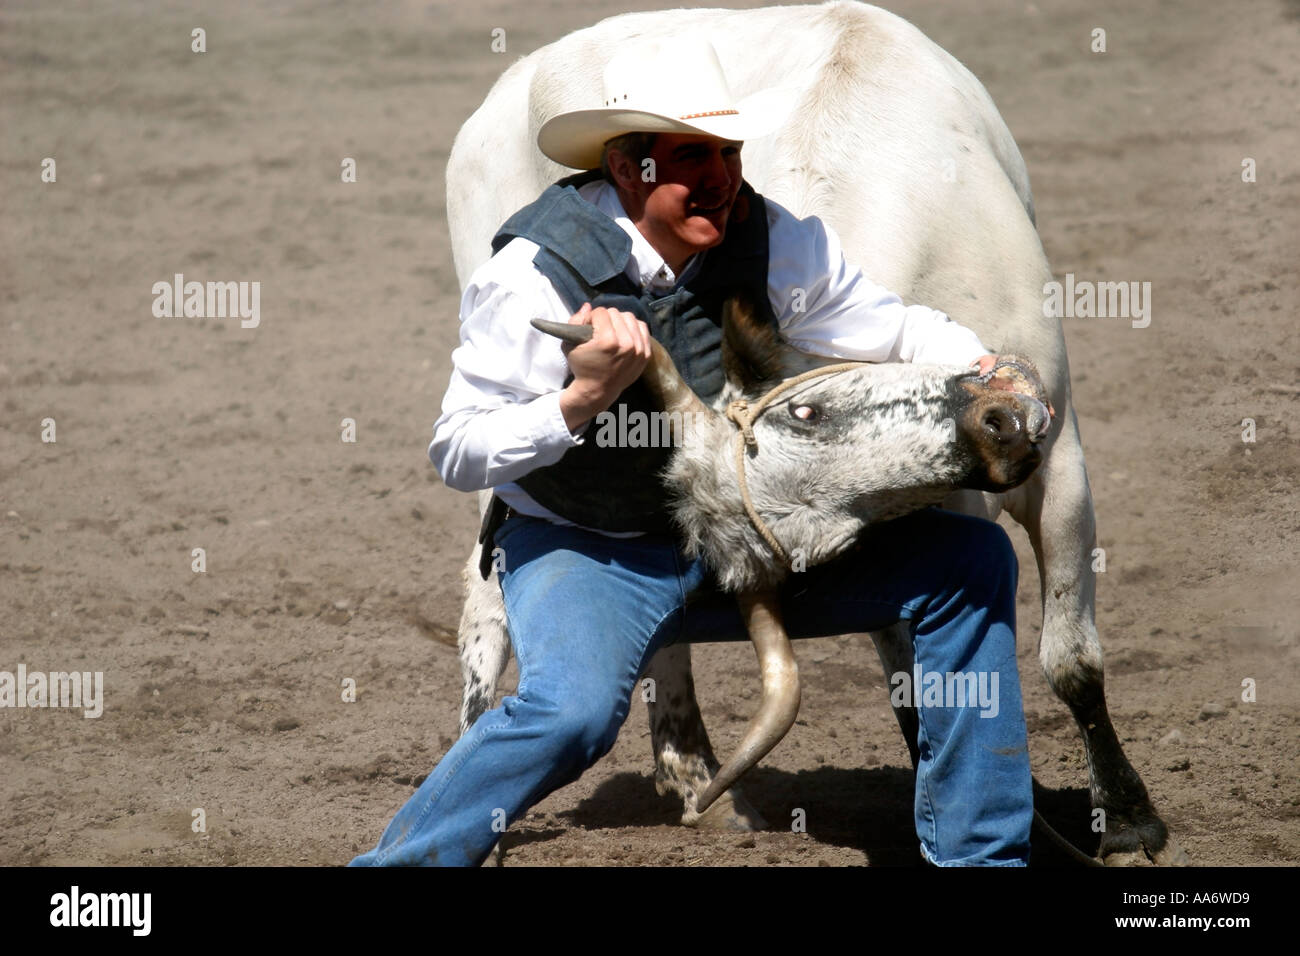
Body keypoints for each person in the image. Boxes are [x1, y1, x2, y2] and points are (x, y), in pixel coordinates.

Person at [350, 38, 1034, 867]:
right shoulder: (537, 272)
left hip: (741, 533)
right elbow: (457, 449)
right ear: (628, 169)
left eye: (729, 153)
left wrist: (987, 369)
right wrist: (579, 400)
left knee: (968, 563)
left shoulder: (768, 237)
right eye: (691, 157)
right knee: (571, 716)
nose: (721, 178)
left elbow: (891, 328)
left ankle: (982, 857)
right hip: (590, 551)